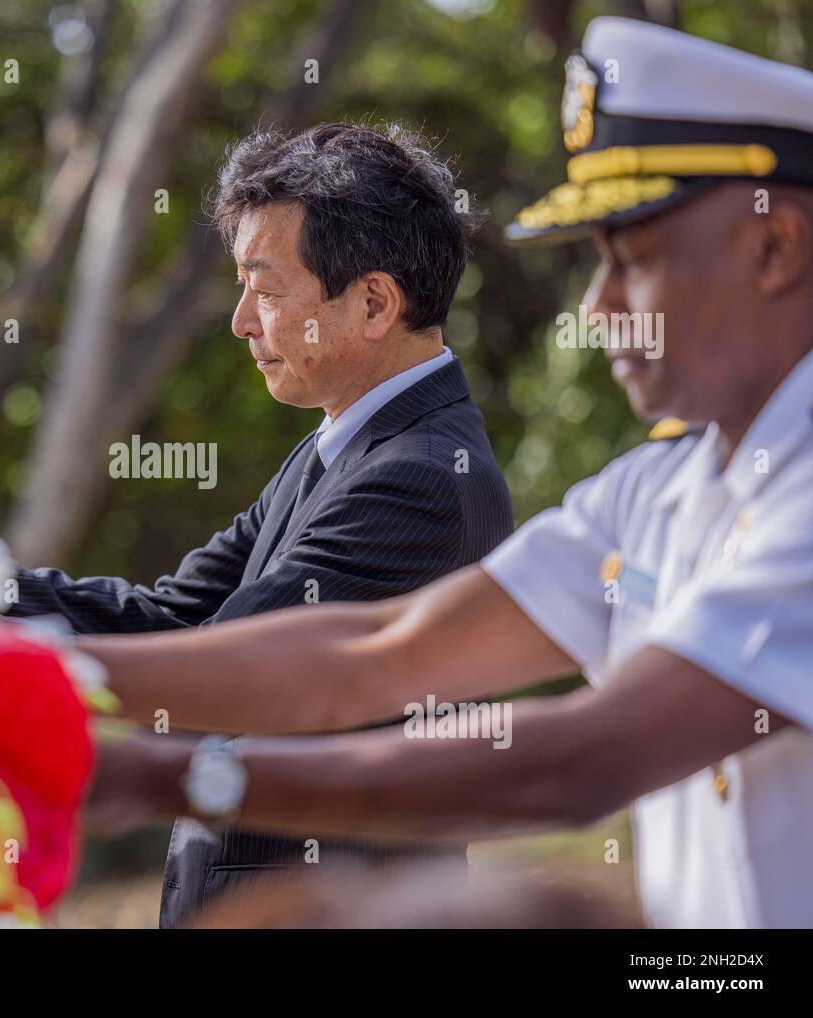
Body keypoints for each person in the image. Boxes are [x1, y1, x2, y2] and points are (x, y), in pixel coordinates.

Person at [78, 16, 813, 929]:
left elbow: (578, 761)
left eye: (634, 258)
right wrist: (28, 662)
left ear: (774, 245)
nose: (598, 304)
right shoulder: (657, 490)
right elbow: (375, 652)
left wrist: (167, 774)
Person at [8, 122, 513, 927]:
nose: (242, 321)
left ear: (375, 301)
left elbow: (213, 676)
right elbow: (173, 618)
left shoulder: (418, 479)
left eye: (265, 289)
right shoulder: (345, 447)